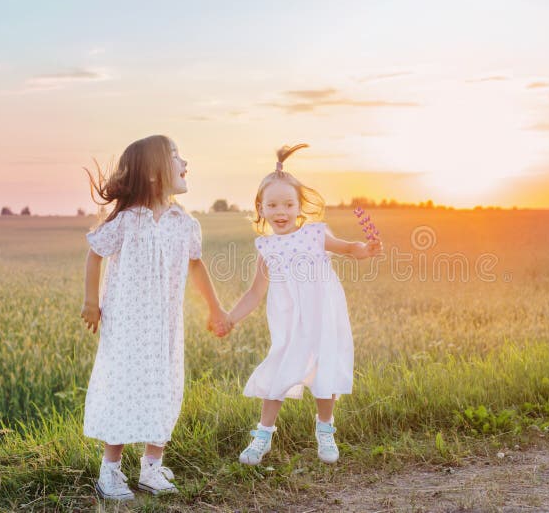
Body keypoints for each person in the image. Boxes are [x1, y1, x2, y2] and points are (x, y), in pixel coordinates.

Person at [80, 135, 229, 500]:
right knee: (123, 389)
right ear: (152, 173)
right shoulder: (128, 221)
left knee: (165, 388)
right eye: (176, 156)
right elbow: (95, 253)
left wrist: (215, 308)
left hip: (165, 327)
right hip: (128, 325)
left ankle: (151, 467)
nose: (185, 162)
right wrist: (90, 301)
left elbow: (197, 266)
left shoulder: (185, 223)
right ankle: (110, 471)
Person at [224, 144, 381, 466]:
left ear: (299, 207)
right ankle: (263, 435)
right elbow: (255, 292)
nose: (280, 211)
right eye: (272, 204)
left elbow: (349, 248)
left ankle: (325, 430)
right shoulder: (266, 246)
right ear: (261, 208)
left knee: (325, 370)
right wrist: (230, 318)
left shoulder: (314, 234)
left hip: (323, 315)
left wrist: (365, 248)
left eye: (288, 204)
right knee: (278, 367)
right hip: (289, 320)